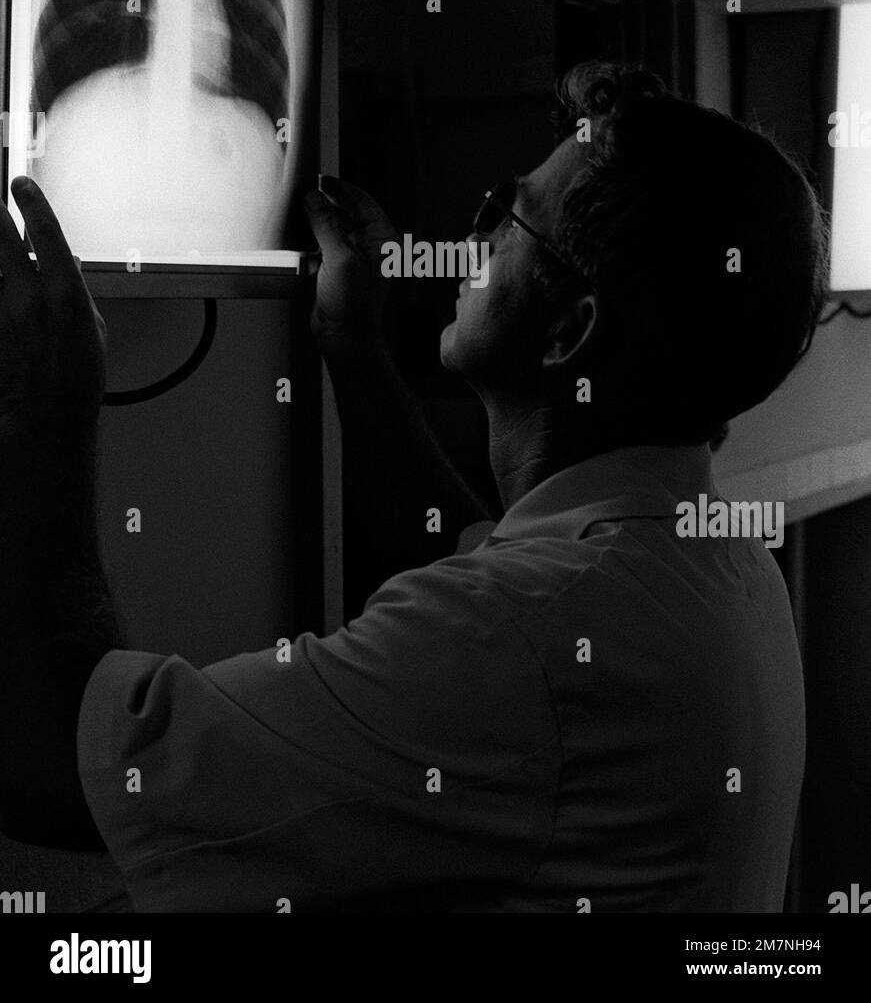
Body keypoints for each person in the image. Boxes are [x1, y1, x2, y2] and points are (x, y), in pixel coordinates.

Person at [0, 62, 827, 912]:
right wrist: (354, 345)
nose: (475, 225)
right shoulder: (713, 559)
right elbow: (464, 563)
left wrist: (45, 407)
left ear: (568, 332)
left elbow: (51, 765)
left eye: (507, 214)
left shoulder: (526, 633)